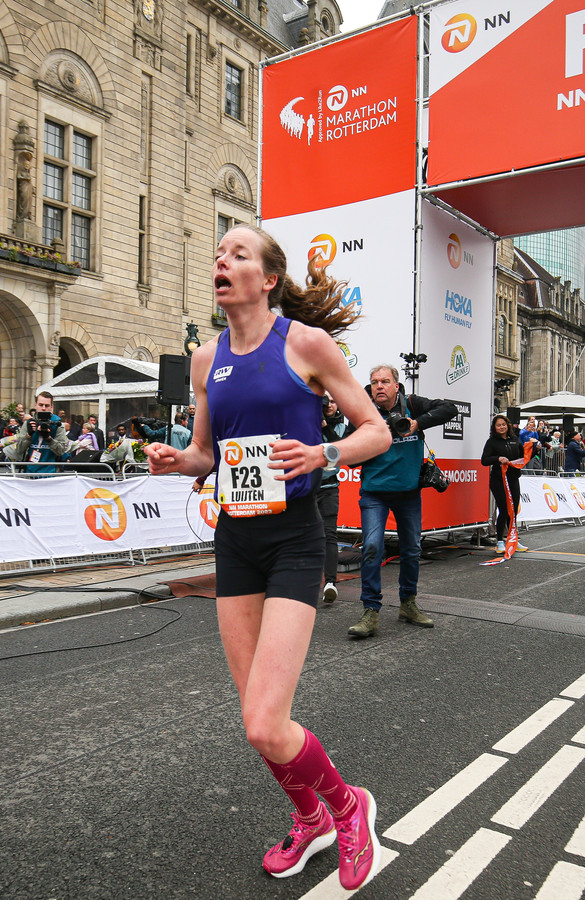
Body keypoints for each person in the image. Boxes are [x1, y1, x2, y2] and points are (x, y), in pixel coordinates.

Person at [144, 225, 389, 890]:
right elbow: (205, 454)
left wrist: (322, 454)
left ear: (268, 278)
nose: (223, 261)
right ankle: (309, 818)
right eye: (219, 253)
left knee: (264, 719)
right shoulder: (205, 358)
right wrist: (177, 463)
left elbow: (377, 429)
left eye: (239, 254)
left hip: (293, 539)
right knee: (256, 724)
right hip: (236, 540)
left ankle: (347, 808)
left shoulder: (305, 344)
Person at [348, 364, 458, 638]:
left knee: (411, 549)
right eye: (374, 382)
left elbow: (449, 409)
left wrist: (417, 423)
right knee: (372, 547)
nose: (379, 386)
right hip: (374, 493)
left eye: (385, 381)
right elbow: (348, 454)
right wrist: (372, 438)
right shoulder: (363, 411)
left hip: (408, 493)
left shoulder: (411, 403)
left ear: (396, 385)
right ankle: (370, 611)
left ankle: (408, 603)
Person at [479, 414, 531, 554]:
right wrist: (498, 458)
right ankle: (500, 541)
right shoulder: (491, 442)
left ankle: (513, 539)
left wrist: (533, 447)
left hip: (513, 479)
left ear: (508, 425)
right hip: (498, 480)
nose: (501, 427)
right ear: (494, 428)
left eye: (503, 424)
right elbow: (484, 460)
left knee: (513, 511)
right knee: (503, 510)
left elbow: (523, 456)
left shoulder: (515, 440)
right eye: (498, 425)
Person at [317, 394, 349, 603]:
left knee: (329, 535)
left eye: (334, 400)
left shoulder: (341, 428)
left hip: (329, 488)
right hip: (304, 489)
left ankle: (330, 583)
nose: (329, 404)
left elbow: (337, 451)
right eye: (325, 400)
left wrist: (324, 427)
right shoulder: (305, 421)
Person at [6, 391, 70, 474]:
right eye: (41, 405)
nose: (43, 408)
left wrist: (49, 438)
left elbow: (60, 451)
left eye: (46, 406)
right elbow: (19, 450)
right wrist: (29, 435)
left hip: (51, 472)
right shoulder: (29, 423)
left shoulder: (58, 424)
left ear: (51, 407)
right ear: (35, 405)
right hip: (30, 471)